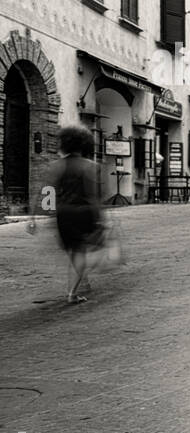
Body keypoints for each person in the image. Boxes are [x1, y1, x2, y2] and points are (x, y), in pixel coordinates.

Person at [47, 125, 104, 304]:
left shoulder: (56, 166)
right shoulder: (90, 166)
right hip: (82, 212)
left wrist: (46, 214)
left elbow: (48, 191)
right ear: (84, 144)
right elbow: (92, 195)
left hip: (62, 213)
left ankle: (80, 279)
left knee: (73, 250)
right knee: (82, 251)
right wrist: (100, 218)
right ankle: (72, 292)